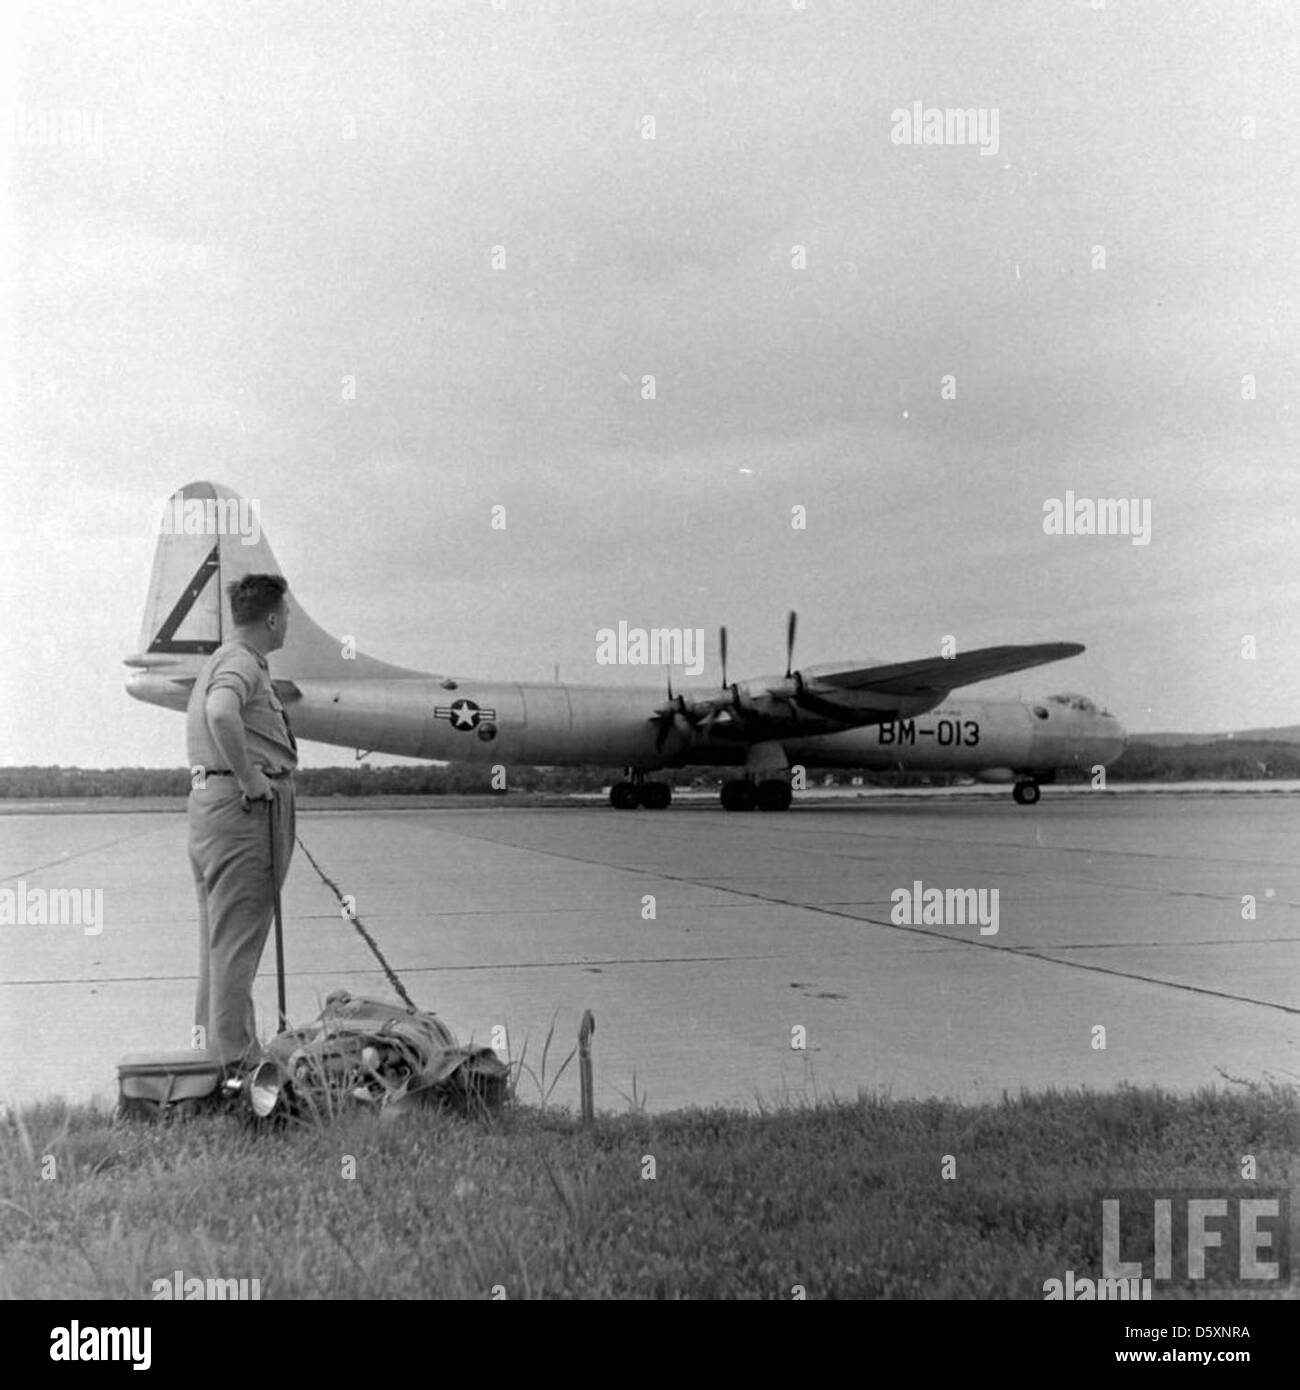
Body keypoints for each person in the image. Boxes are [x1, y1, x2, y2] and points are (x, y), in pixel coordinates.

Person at [186, 573, 298, 1070]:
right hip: (243, 812)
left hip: (217, 808)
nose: (287, 623)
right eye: (287, 615)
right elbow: (222, 713)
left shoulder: (224, 658)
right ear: (272, 618)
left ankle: (213, 1061)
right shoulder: (239, 662)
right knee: (236, 944)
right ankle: (238, 1068)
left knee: (222, 944)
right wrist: (252, 777)